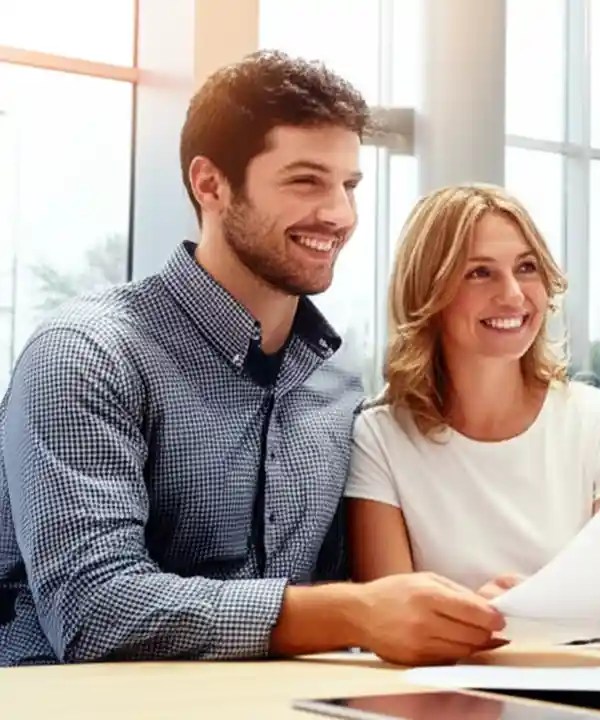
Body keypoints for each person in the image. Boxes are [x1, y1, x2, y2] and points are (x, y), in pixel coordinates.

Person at [0, 51, 503, 667]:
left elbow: (355, 592)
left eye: (348, 186)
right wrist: (355, 613)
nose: (339, 215)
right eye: (305, 181)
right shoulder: (88, 355)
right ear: (209, 184)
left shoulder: (339, 387)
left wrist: (468, 614)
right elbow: (95, 609)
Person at [345, 183, 600, 664]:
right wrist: (490, 616)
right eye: (479, 273)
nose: (512, 295)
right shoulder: (379, 437)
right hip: (446, 695)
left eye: (526, 268)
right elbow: (391, 620)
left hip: (585, 686)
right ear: (428, 293)